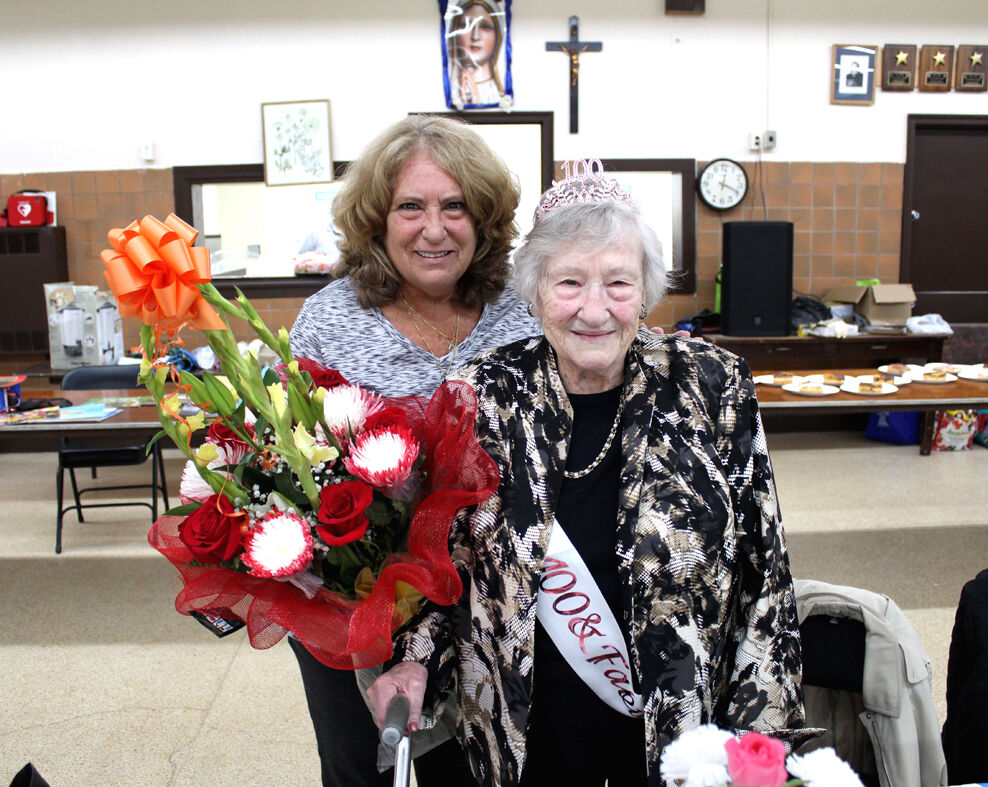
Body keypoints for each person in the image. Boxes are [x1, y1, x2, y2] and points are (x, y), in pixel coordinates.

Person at [369, 167, 810, 786]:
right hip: (524, 733)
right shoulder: (483, 395)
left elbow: (766, 578)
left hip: (680, 740)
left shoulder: (713, 386)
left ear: (647, 290)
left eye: (618, 283)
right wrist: (414, 662)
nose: (594, 309)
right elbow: (448, 570)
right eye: (570, 282)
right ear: (536, 292)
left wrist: (760, 744)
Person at [288, 114, 539, 786]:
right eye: (411, 207)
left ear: (483, 219)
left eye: (455, 206)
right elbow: (294, 460)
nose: (435, 228)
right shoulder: (329, 319)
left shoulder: (524, 313)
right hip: (354, 602)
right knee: (361, 767)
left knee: (475, 765)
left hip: (487, 598)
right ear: (377, 219)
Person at [445, 0, 505, 107]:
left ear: (498, 35)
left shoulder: (499, 94)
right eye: (466, 25)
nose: (475, 36)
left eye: (485, 26)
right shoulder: (452, 89)